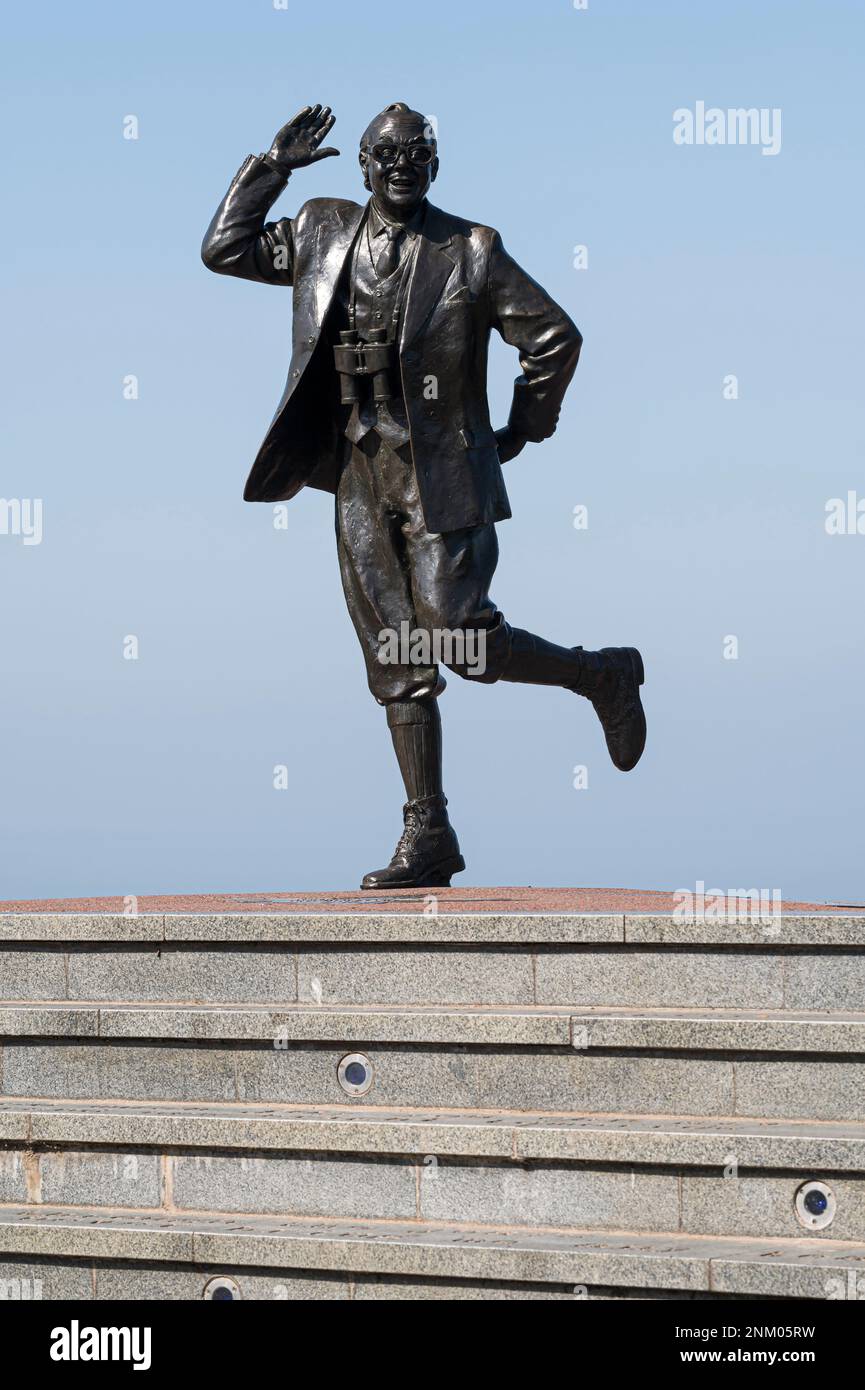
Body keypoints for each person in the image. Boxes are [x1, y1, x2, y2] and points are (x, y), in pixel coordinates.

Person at [202, 102, 646, 888]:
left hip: (442, 472)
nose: (401, 167)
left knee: (453, 639)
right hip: (356, 471)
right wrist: (269, 168)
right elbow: (224, 249)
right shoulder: (318, 229)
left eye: (417, 156)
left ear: (435, 167)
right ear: (363, 166)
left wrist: (520, 430)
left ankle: (598, 674)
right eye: (385, 155)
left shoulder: (471, 250)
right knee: (392, 655)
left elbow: (553, 337)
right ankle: (428, 832)